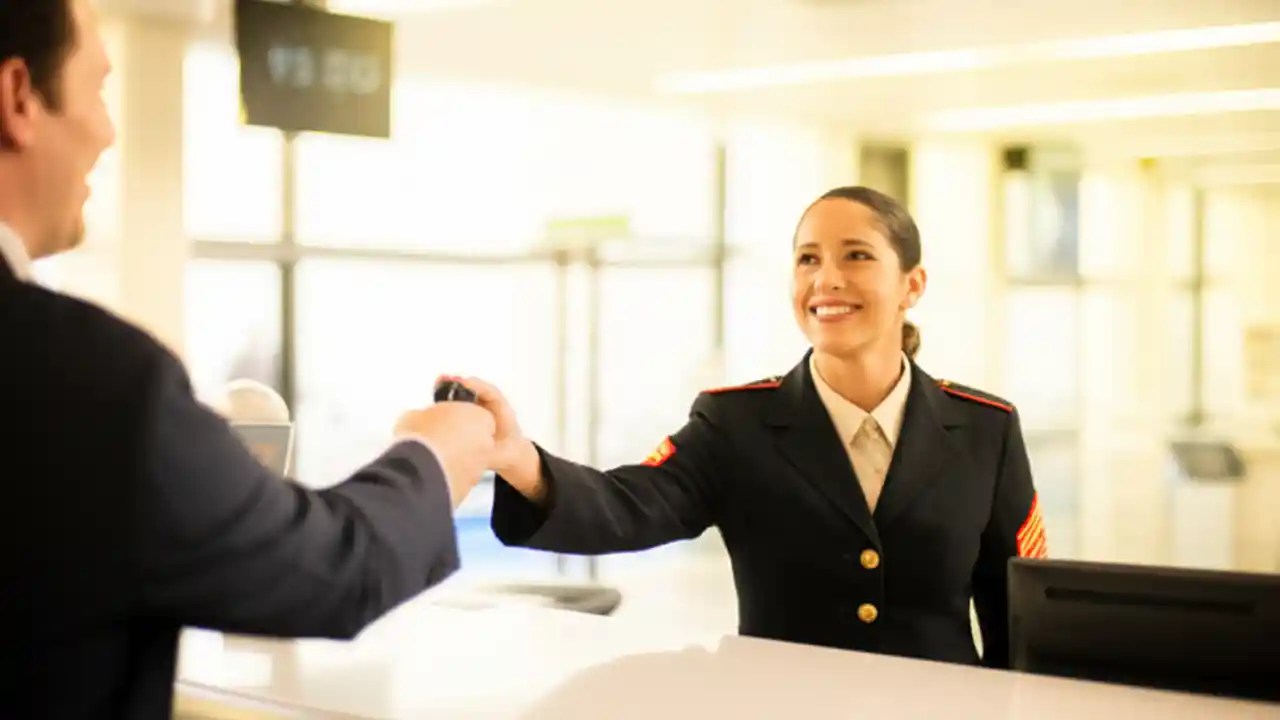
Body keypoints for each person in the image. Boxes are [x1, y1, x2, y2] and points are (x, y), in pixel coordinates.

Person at [0, 2, 496, 716]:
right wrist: (435, 451)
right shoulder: (93, 387)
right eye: (99, 89)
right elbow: (332, 567)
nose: (109, 132)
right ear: (20, 97)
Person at [462, 185, 1047, 668]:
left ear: (912, 285)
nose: (827, 279)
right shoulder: (736, 424)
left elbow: (1017, 617)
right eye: (808, 258)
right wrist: (519, 460)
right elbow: (630, 505)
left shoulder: (984, 429)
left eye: (857, 255)